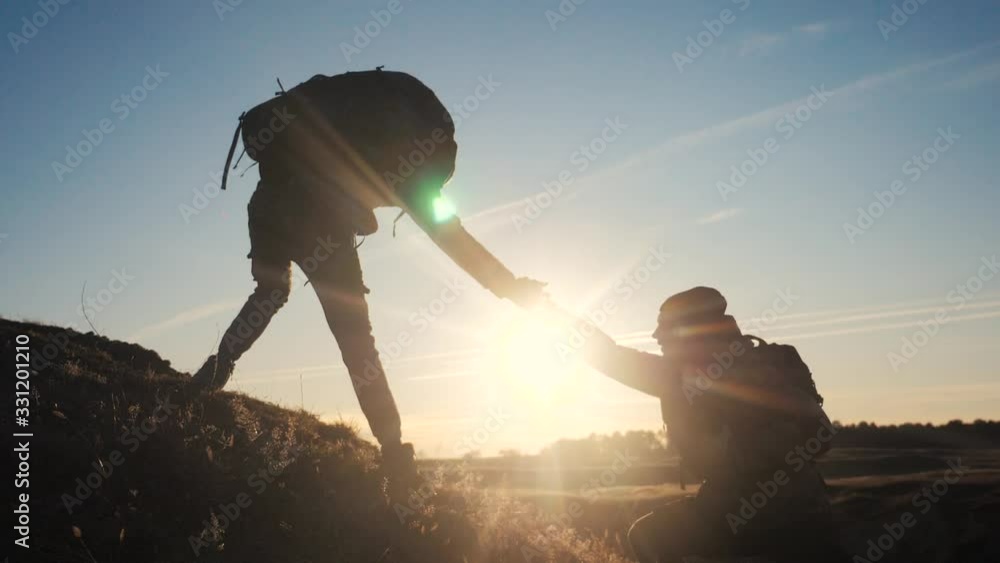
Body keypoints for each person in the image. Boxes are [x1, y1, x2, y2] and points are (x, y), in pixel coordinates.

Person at [190, 69, 544, 484]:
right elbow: (451, 239)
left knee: (269, 292)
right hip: (320, 218)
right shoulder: (411, 170)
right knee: (356, 338)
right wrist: (508, 287)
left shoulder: (340, 141)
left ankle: (214, 372)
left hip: (268, 203)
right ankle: (394, 456)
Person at [559, 287, 842, 562]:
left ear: (687, 329)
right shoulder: (772, 360)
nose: (656, 335)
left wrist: (530, 299)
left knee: (648, 536)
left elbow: (604, 354)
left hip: (741, 516)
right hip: (813, 514)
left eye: (663, 326)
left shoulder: (680, 376)